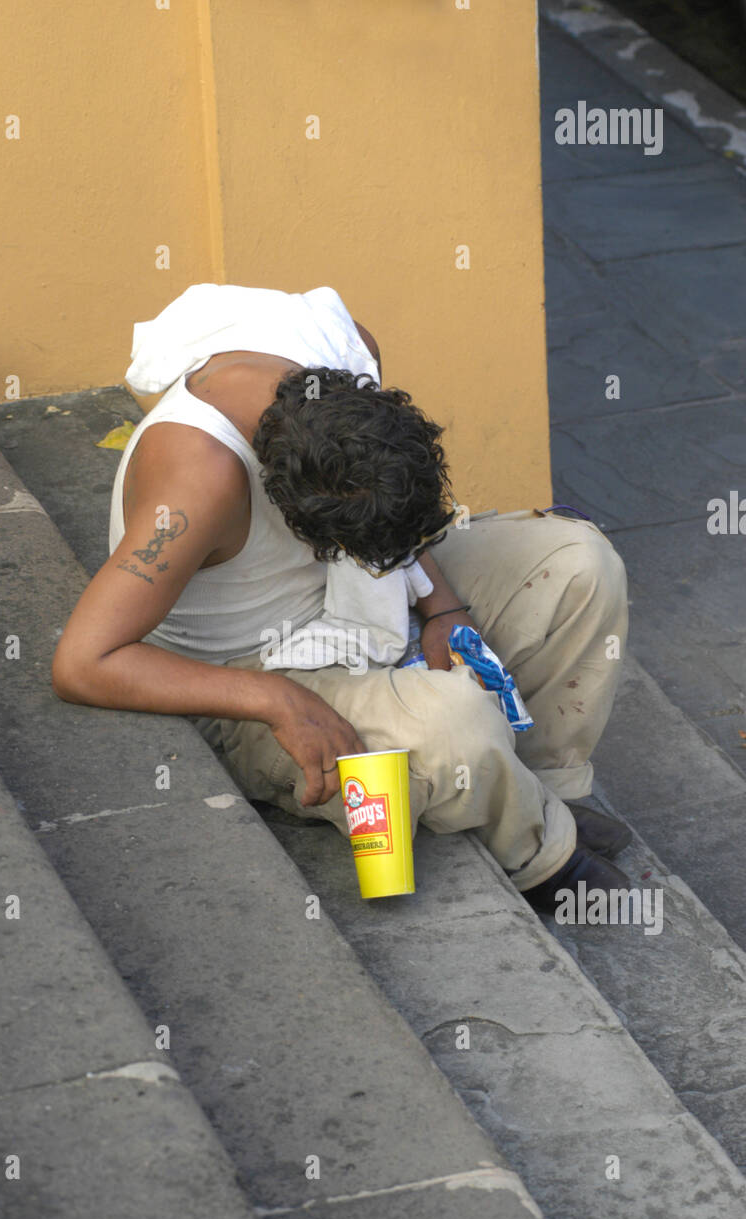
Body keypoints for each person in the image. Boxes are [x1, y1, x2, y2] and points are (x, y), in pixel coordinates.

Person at [52, 284, 631, 912]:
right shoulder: (197, 482)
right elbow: (84, 662)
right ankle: (539, 856)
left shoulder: (343, 360)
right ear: (296, 508)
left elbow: (384, 504)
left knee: (578, 563)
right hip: (253, 666)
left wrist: (442, 606)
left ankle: (542, 788)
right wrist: (278, 701)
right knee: (455, 722)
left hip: (353, 599)